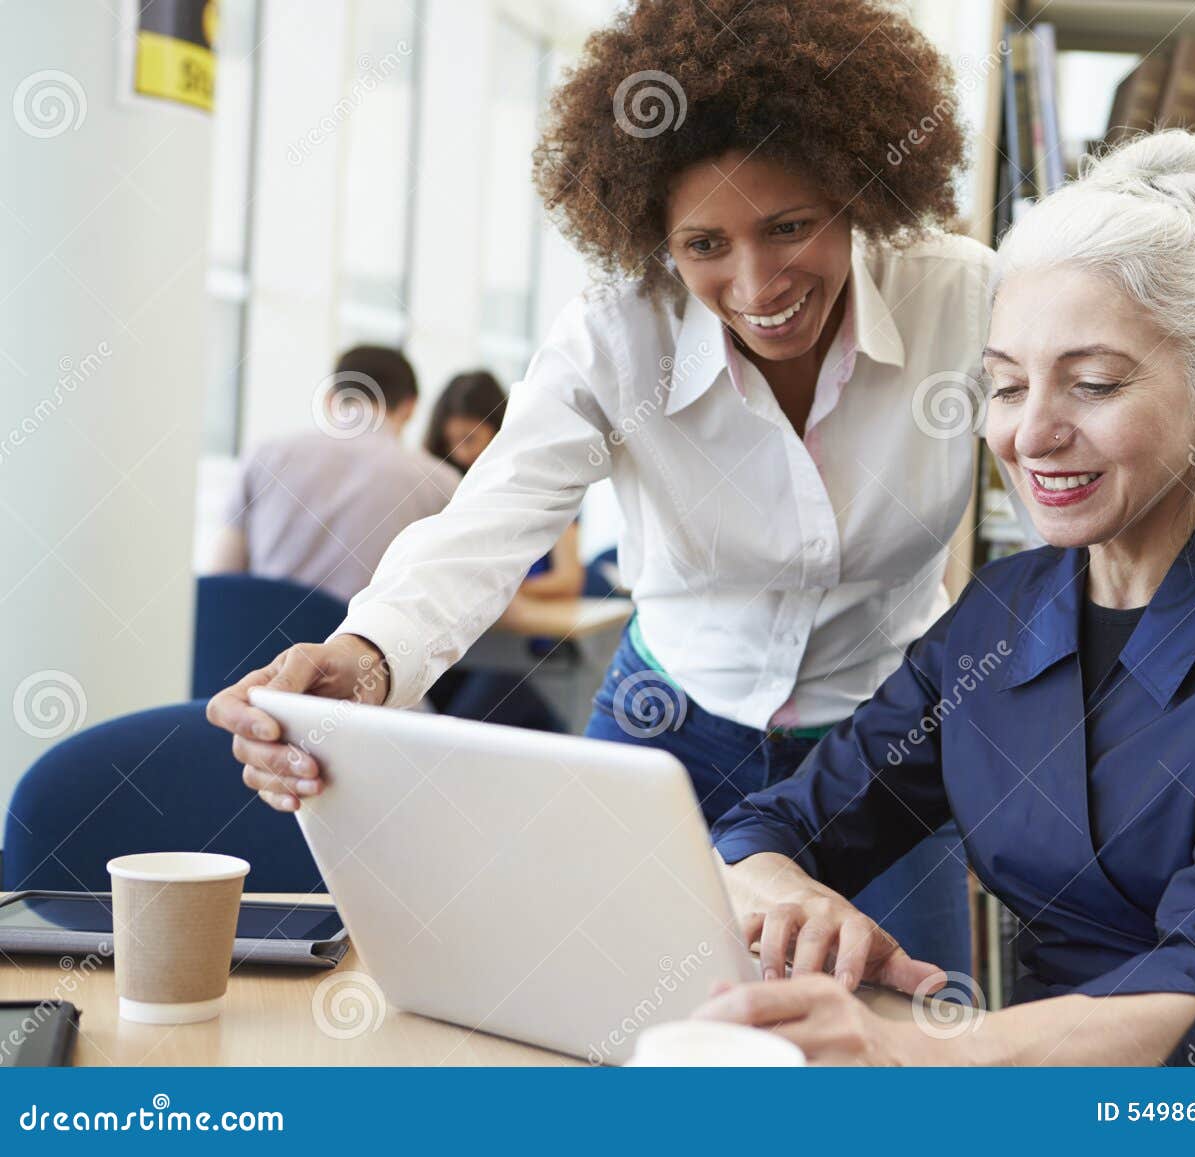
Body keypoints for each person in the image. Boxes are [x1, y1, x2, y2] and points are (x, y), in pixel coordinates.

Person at [205, 0, 993, 974]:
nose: (756, 283)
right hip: (670, 739)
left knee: (909, 1050)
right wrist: (367, 655)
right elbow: (485, 524)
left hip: (887, 748)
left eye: (791, 225)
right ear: (655, 231)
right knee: (606, 1021)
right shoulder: (618, 335)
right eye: (705, 244)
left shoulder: (970, 302)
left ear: (861, 189)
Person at [693, 130, 1195, 1066]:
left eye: (1092, 384)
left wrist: (913, 1054)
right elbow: (781, 819)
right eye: (1004, 385)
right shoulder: (999, 614)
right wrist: (785, 891)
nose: (1031, 433)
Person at [208, 345, 459, 603]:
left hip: (258, 639)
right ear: (409, 408)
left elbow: (222, 582)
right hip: (361, 641)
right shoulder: (440, 482)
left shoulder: (265, 456)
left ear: (331, 399)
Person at [423, 369, 584, 600]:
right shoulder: (446, 486)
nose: (459, 453)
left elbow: (569, 580)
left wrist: (488, 593)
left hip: (533, 624)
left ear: (498, 431)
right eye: (450, 441)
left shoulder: (544, 485)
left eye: (469, 439)